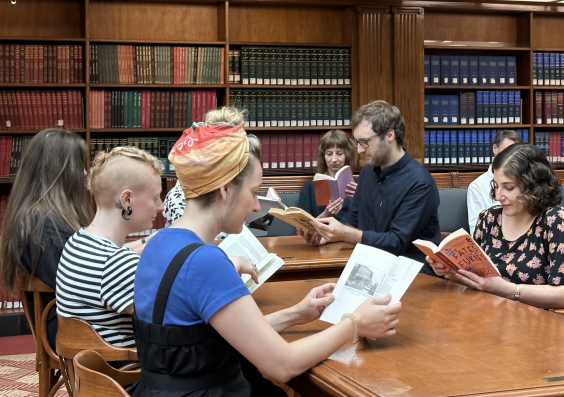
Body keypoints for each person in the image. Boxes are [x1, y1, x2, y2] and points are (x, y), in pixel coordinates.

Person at [132, 115, 400, 396]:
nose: (258, 206)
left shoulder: (157, 243)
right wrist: (355, 323)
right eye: (254, 192)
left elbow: (203, 338)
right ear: (225, 190)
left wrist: (296, 314)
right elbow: (283, 365)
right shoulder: (205, 261)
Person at [428, 144, 564, 309]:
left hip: (543, 324)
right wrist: (449, 271)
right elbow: (480, 281)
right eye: (496, 186)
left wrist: (510, 290)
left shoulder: (557, 221)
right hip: (491, 318)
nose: (498, 196)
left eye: (508, 187)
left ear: (533, 185)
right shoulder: (489, 219)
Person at [303, 100, 441, 273]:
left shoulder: (420, 183)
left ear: (389, 135)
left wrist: (344, 233)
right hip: (371, 266)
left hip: (411, 274)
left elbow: (396, 242)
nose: (359, 150)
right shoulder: (368, 172)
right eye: (356, 142)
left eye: (365, 141)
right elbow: (354, 220)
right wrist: (328, 235)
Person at [55, 146, 164, 348]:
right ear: (127, 200)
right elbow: (170, 316)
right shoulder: (116, 263)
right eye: (155, 197)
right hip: (125, 374)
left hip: (92, 372)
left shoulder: (77, 241)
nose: (161, 206)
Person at [0, 128, 94, 347]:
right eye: (79, 166)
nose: (85, 173)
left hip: (67, 320)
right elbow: (77, 283)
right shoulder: (45, 225)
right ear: (60, 171)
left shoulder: (41, 217)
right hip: (68, 326)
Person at [466, 130, 523, 235]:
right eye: (506, 152)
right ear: (495, 149)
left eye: (509, 187)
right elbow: (476, 233)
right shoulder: (477, 186)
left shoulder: (525, 181)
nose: (509, 158)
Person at [296, 130, 357, 221]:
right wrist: (325, 215)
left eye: (339, 154)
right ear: (323, 156)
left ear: (347, 155)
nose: (334, 159)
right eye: (329, 154)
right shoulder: (310, 187)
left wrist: (361, 198)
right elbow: (302, 227)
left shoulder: (358, 185)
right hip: (322, 234)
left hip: (351, 233)